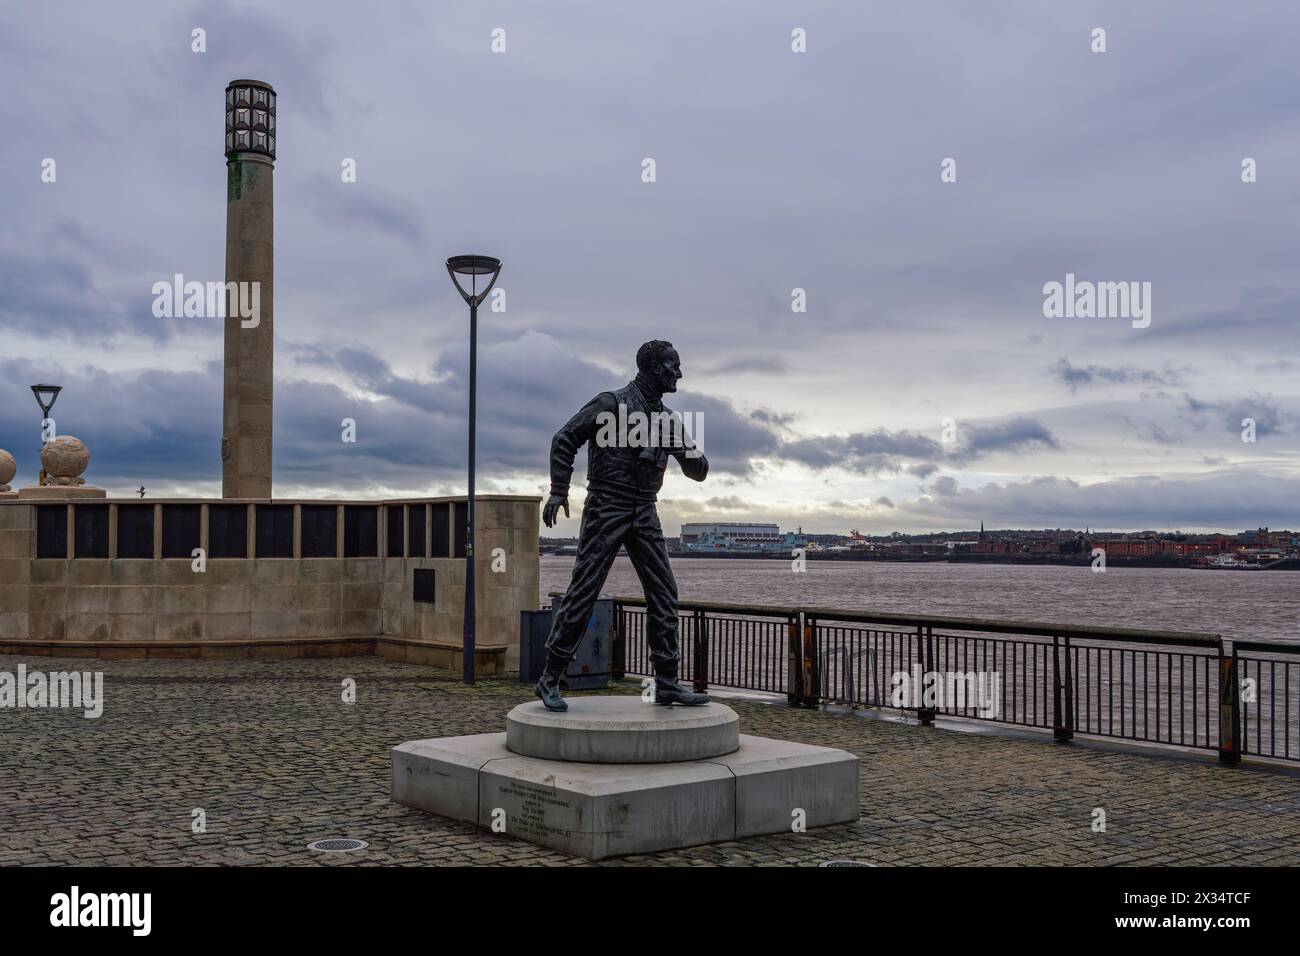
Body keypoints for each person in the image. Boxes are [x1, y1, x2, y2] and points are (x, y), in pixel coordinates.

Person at [537, 340, 710, 711]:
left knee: (664, 593)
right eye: (671, 366)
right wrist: (558, 490)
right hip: (607, 504)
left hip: (645, 509)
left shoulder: (669, 420)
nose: (678, 374)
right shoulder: (610, 403)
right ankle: (549, 678)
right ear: (651, 367)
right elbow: (564, 438)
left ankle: (666, 684)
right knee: (584, 591)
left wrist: (685, 449)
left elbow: (700, 472)